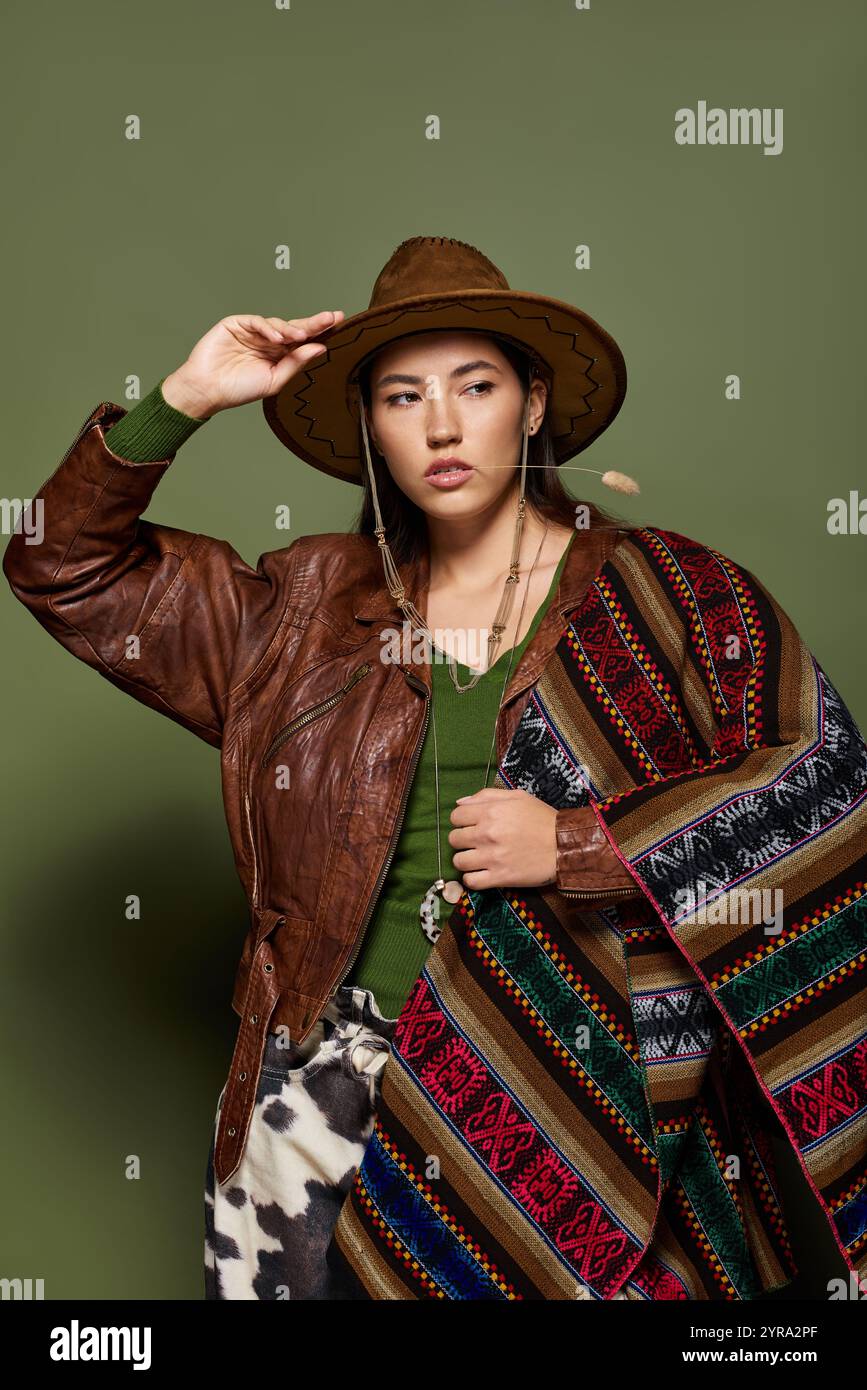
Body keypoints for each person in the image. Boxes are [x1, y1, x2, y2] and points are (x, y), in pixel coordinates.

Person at [4, 236, 866, 1302]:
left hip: (572, 1099)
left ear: (534, 402)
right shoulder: (302, 612)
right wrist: (181, 398)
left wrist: (574, 844)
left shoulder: (664, 594)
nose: (443, 425)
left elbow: (824, 786)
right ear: (371, 426)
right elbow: (61, 564)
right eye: (404, 396)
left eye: (476, 385)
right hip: (314, 1107)